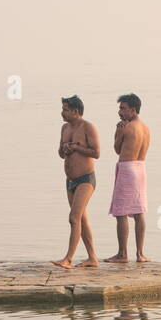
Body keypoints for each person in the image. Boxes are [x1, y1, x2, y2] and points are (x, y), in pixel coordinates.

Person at [53, 96, 100, 270]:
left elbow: (96, 153)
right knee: (82, 219)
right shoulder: (64, 128)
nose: (62, 112)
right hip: (70, 181)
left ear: (75, 111)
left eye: (65, 109)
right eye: (62, 108)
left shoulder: (88, 127)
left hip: (85, 179)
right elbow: (59, 153)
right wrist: (64, 149)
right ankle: (92, 258)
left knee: (74, 218)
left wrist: (76, 147)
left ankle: (68, 259)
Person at [105, 94, 151, 263]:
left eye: (123, 108)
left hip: (127, 168)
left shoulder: (127, 127)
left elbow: (118, 149)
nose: (120, 112)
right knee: (139, 212)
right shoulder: (145, 128)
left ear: (133, 110)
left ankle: (122, 254)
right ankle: (140, 254)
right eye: (120, 108)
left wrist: (118, 132)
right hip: (140, 168)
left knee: (121, 213)